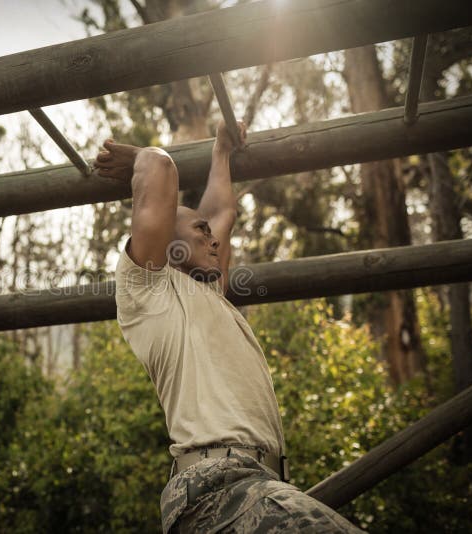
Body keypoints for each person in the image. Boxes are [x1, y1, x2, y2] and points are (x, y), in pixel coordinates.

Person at [94, 123, 364, 533]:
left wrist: (221, 152)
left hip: (254, 485)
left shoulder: (209, 295)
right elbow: (160, 167)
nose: (214, 238)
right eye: (201, 231)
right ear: (169, 243)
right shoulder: (150, 292)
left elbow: (222, 212)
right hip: (218, 487)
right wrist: (137, 157)